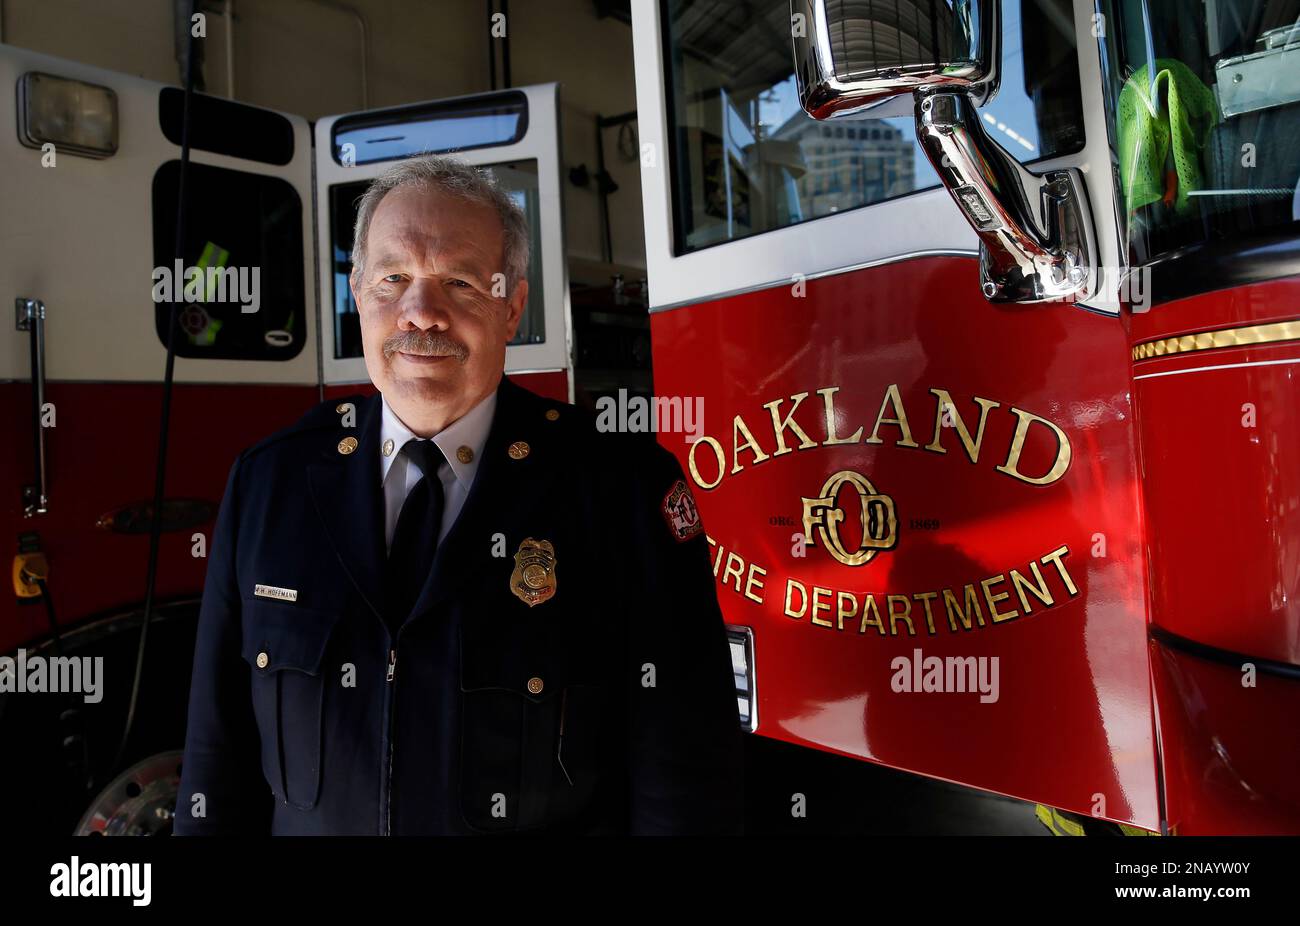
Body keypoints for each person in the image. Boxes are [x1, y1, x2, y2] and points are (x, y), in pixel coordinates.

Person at [173, 154, 743, 835]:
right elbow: (217, 761)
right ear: (358, 292)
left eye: (460, 282)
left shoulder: (618, 491)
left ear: (513, 307)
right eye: (392, 279)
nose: (421, 313)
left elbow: (684, 777)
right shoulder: (269, 484)